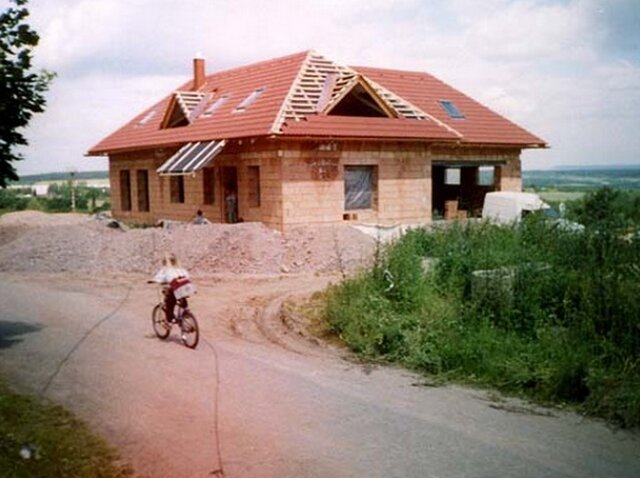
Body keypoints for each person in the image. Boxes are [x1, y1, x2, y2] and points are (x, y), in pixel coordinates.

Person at [150, 253, 190, 323]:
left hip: (175, 289)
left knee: (169, 303)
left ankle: (171, 319)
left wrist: (153, 280)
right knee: (181, 297)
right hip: (187, 288)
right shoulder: (180, 269)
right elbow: (187, 276)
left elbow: (159, 278)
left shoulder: (165, 270)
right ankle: (185, 309)